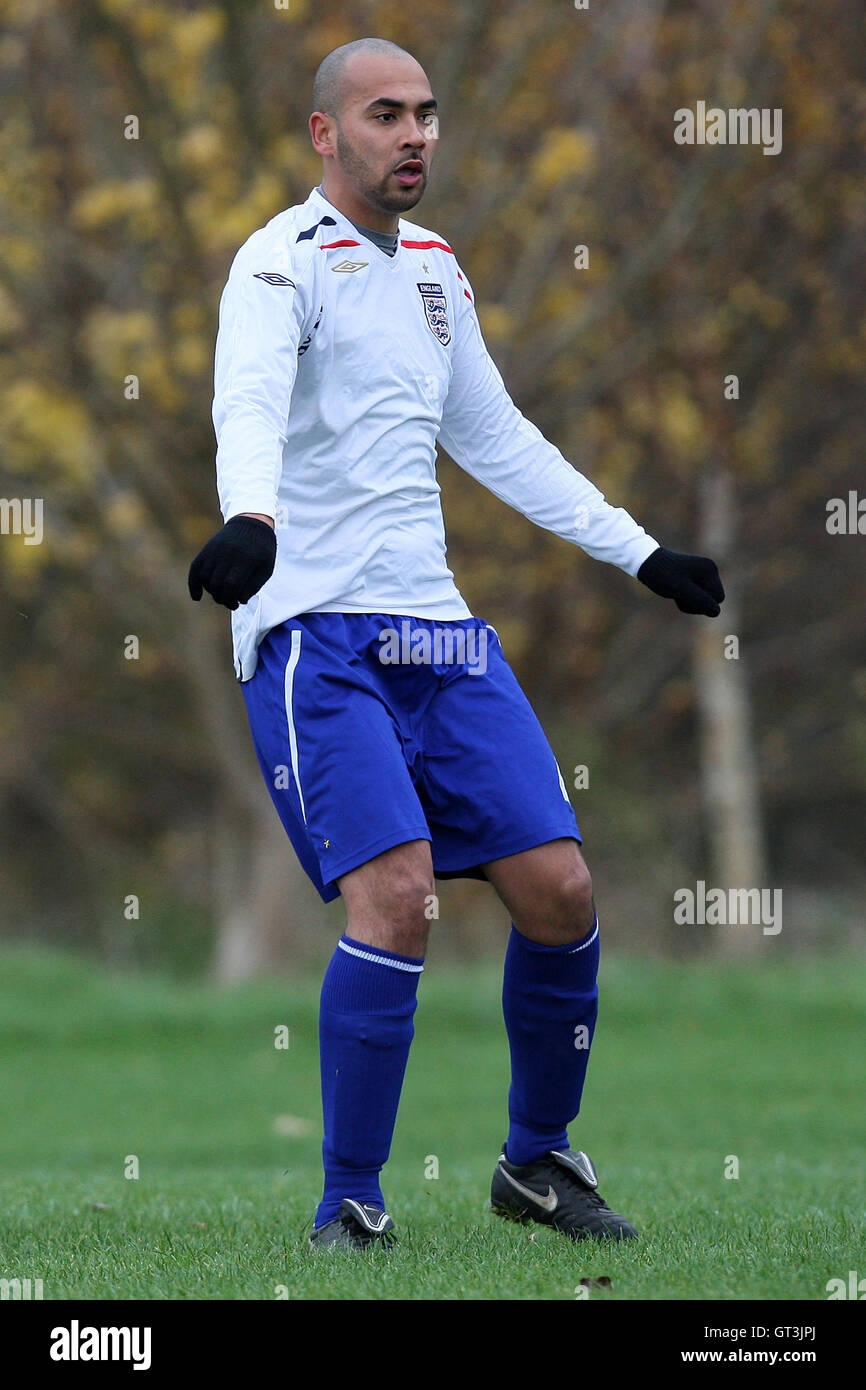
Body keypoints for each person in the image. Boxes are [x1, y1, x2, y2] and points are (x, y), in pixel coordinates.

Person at [188, 37, 724, 1250]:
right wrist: (253, 520)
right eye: (386, 114)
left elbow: (497, 437)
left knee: (560, 888)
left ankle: (536, 1160)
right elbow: (249, 403)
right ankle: (349, 1200)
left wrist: (637, 550)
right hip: (316, 640)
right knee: (398, 898)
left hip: (439, 636)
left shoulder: (437, 270)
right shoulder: (277, 263)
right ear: (327, 133)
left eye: (427, 113)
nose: (415, 134)